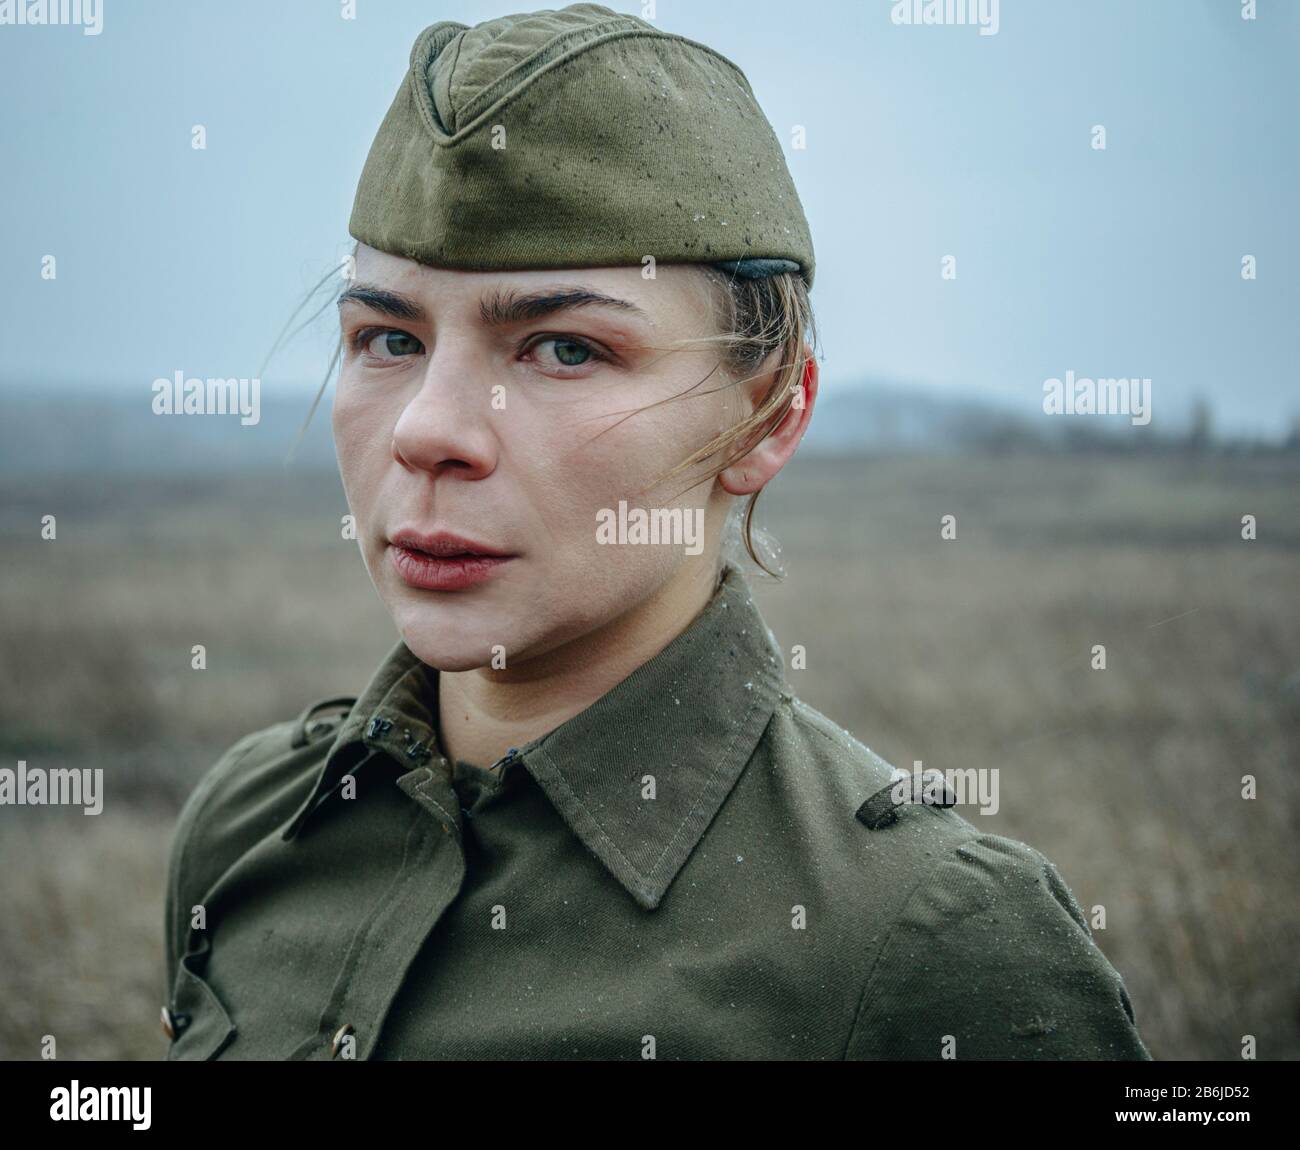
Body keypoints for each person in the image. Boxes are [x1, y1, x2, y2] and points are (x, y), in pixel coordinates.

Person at [162, 2, 1152, 1061]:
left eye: (563, 350)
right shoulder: (250, 825)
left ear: (767, 414)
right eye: (388, 337)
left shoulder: (932, 946)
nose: (429, 431)